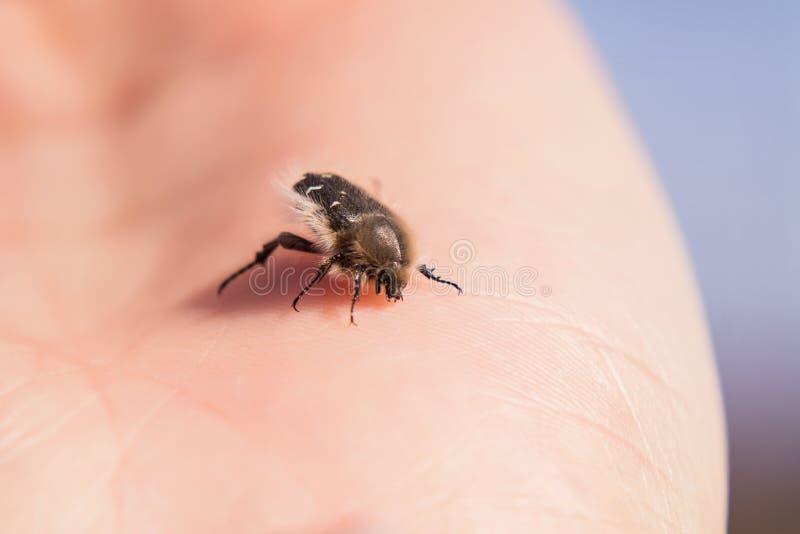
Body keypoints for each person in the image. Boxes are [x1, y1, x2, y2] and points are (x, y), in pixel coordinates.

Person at [0, 1, 726, 531]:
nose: (382, 293)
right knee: (293, 256)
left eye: (386, 285)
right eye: (382, 284)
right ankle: (247, 275)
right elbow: (333, 256)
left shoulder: (397, 257)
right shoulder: (355, 250)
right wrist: (325, 287)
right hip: (327, 198)